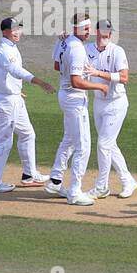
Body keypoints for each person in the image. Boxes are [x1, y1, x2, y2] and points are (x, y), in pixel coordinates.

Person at [44, 15, 106, 205]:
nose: (89, 32)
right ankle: (75, 192)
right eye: (85, 29)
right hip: (73, 98)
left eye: (89, 28)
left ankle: (55, 180)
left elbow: (56, 65)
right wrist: (100, 87)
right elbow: (76, 81)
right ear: (76, 28)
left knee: (69, 139)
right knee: (83, 146)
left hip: (65, 95)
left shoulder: (64, 41)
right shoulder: (77, 48)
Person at [0, 16, 54, 192]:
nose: (18, 32)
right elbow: (14, 70)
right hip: (7, 102)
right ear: (5, 32)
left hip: (14, 98)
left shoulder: (11, 47)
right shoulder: (4, 50)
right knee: (4, 141)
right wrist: (38, 81)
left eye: (19, 29)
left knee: (27, 134)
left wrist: (16, 90)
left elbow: (6, 75)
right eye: (15, 29)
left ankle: (29, 174)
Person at [83, 19, 137, 198]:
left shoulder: (117, 51)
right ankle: (128, 180)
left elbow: (124, 77)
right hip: (98, 101)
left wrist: (98, 73)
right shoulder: (87, 50)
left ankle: (102, 186)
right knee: (109, 145)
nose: (105, 35)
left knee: (103, 144)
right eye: (102, 31)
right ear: (96, 32)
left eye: (108, 32)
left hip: (116, 103)